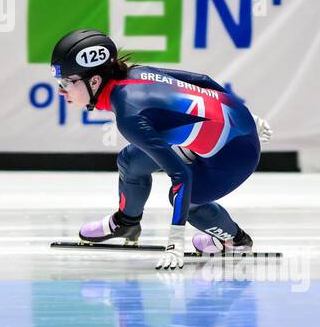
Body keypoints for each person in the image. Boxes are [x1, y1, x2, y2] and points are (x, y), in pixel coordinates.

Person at [50, 29, 272, 270]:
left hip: (235, 154)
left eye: (66, 82)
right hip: (230, 126)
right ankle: (127, 222)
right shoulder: (137, 73)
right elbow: (204, 80)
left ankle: (236, 240)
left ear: (94, 81)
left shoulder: (129, 116)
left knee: (187, 201)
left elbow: (181, 176)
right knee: (131, 161)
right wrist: (240, 113)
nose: (61, 91)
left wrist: (175, 241)